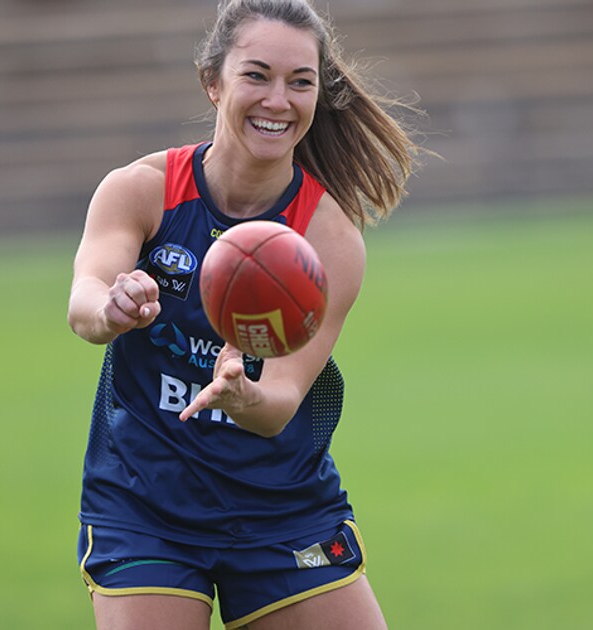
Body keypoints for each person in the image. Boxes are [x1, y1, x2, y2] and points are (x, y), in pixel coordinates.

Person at [66, 1, 424, 628]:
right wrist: (113, 306)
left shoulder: (328, 238)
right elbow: (85, 301)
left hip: (283, 508)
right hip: (144, 505)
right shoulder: (143, 190)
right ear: (213, 81)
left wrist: (240, 396)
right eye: (256, 75)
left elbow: (280, 401)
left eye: (300, 82)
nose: (278, 100)